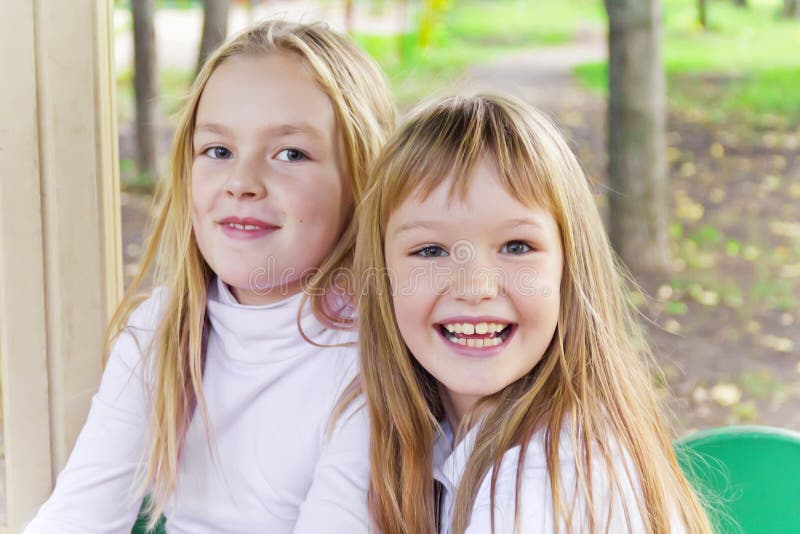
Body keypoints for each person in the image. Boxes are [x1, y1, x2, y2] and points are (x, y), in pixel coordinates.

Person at [24, 19, 394, 534]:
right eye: (218, 151)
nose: (241, 182)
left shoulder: (373, 355)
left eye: (290, 154)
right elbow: (78, 516)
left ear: (363, 180)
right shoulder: (163, 326)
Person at [354, 93, 713, 533]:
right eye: (430, 250)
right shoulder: (443, 437)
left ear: (570, 266)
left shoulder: (538, 487)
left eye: (516, 246)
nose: (474, 288)